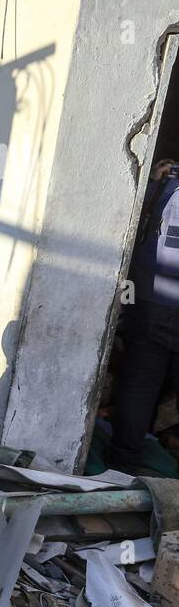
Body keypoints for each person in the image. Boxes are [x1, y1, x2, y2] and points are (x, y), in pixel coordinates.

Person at [108, 157, 179, 474]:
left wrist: (127, 302)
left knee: (139, 383)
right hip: (152, 303)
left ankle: (123, 463)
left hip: (150, 303)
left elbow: (130, 242)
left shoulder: (162, 186)